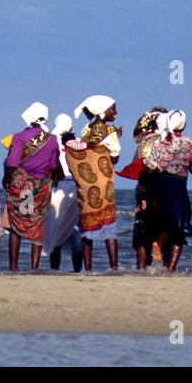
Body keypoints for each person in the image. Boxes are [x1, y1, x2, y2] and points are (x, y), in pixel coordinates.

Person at [67, 95, 122, 271]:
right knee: (109, 227)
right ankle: (114, 267)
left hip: (87, 185)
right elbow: (114, 158)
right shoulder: (110, 132)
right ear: (103, 111)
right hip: (104, 186)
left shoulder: (85, 130)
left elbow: (85, 154)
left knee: (86, 227)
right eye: (113, 109)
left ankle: (88, 268)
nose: (116, 112)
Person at [4, 102, 60, 270]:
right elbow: (53, 165)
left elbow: (13, 163)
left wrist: (7, 179)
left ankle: (13, 266)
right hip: (41, 187)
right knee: (37, 224)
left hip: (25, 188)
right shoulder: (52, 139)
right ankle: (34, 267)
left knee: (17, 224)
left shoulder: (20, 137)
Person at [143, 109, 192, 272]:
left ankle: (159, 252)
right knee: (180, 226)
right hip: (177, 186)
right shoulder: (188, 143)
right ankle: (169, 266)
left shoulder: (158, 143)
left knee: (163, 222)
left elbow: (150, 167)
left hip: (159, 185)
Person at [122, 106, 167, 269]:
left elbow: (137, 168)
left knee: (141, 237)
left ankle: (141, 270)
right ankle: (165, 270)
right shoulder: (164, 141)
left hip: (142, 192)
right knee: (162, 234)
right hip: (160, 193)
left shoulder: (144, 142)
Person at [43, 114, 84, 272]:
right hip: (74, 187)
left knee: (55, 228)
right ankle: (78, 270)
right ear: (71, 127)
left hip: (56, 188)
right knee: (77, 230)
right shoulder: (78, 142)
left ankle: (54, 269)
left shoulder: (49, 141)